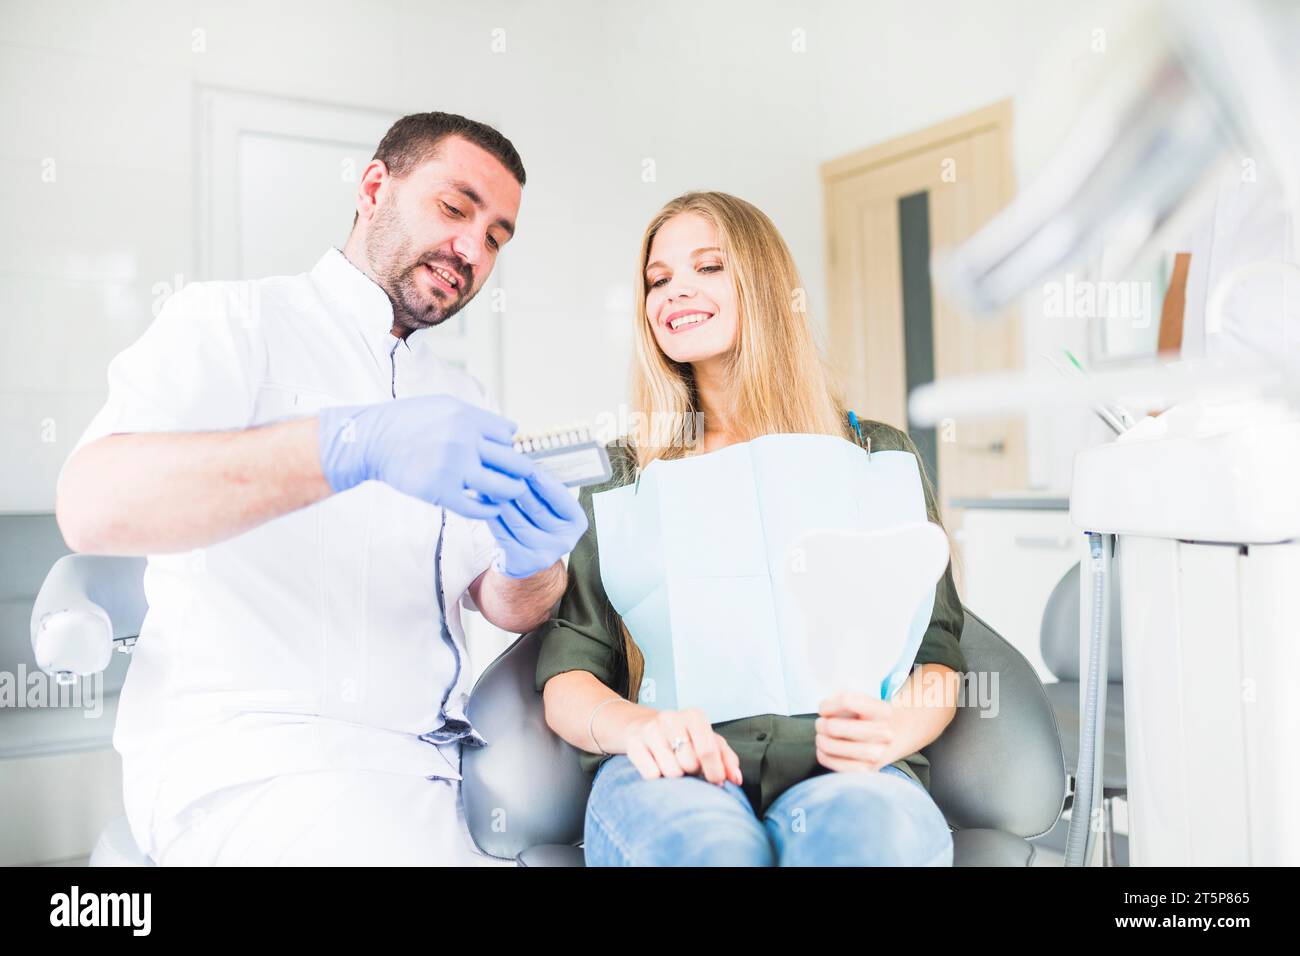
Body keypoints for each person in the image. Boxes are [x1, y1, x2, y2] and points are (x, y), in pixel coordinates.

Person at [55, 111, 587, 866]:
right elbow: (92, 506)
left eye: (497, 236)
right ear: (375, 186)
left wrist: (534, 559)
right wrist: (349, 446)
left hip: (434, 773)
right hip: (250, 765)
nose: (473, 248)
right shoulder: (232, 324)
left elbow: (500, 600)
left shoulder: (463, 399)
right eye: (455, 207)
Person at [536, 191, 965, 866]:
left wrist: (888, 736)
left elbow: (938, 658)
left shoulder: (876, 456)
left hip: (848, 769)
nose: (676, 291)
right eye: (658, 279)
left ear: (763, 285)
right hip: (677, 768)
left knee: (862, 847)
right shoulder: (620, 476)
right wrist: (642, 730)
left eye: (708, 267)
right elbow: (569, 672)